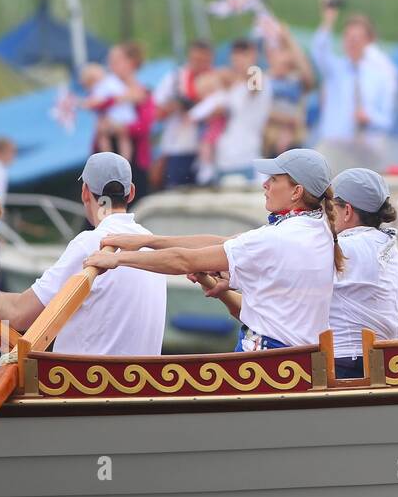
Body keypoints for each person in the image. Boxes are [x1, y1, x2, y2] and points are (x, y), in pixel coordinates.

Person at [86, 148, 338, 352]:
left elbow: (185, 261)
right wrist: (147, 242)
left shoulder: (278, 237)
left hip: (268, 361)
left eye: (273, 179)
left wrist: (119, 260)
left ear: (297, 191)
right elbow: (223, 241)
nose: (265, 185)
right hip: (301, 359)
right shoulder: (319, 228)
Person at [0, 153, 166, 356]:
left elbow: (19, 314)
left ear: (85, 192)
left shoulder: (90, 242)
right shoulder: (151, 243)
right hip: (142, 384)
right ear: (131, 193)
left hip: (85, 384)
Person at [327, 168, 398, 379]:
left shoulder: (348, 246)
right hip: (385, 360)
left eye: (329, 206)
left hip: (347, 363)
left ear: (347, 211)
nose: (324, 214)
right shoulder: (383, 241)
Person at [312, 0, 398, 146]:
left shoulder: (380, 77)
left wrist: (370, 118)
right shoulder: (334, 69)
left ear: (368, 41)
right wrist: (328, 21)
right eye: (348, 37)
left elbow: (387, 120)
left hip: (363, 150)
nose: (352, 42)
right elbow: (319, 51)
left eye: (357, 38)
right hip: (333, 145)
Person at [189, 39, 273, 183]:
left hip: (247, 158)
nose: (238, 62)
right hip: (223, 161)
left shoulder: (260, 79)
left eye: (243, 56)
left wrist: (250, 66)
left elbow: (255, 83)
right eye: (235, 58)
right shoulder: (233, 87)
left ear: (253, 56)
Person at [151, 40, 215, 189]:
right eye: (196, 60)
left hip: (207, 151)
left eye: (204, 61)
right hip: (178, 149)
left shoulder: (215, 80)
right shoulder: (175, 79)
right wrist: (177, 104)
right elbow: (156, 113)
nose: (200, 65)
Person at [262, 18, 316, 155]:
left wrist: (288, 39)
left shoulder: (296, 79)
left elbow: (307, 74)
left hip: (295, 140)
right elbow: (257, 110)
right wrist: (287, 119)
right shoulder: (262, 78)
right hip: (270, 140)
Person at [110, 42, 155, 199]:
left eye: (116, 61)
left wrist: (120, 128)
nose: (111, 66)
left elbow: (143, 127)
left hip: (134, 161)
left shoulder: (143, 93)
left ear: (131, 63)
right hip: (110, 157)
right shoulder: (108, 93)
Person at [80, 61, 135, 162]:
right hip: (122, 116)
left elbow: (101, 101)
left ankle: (109, 159)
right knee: (123, 138)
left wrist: (85, 104)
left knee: (105, 136)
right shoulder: (112, 81)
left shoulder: (102, 86)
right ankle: (124, 160)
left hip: (115, 117)